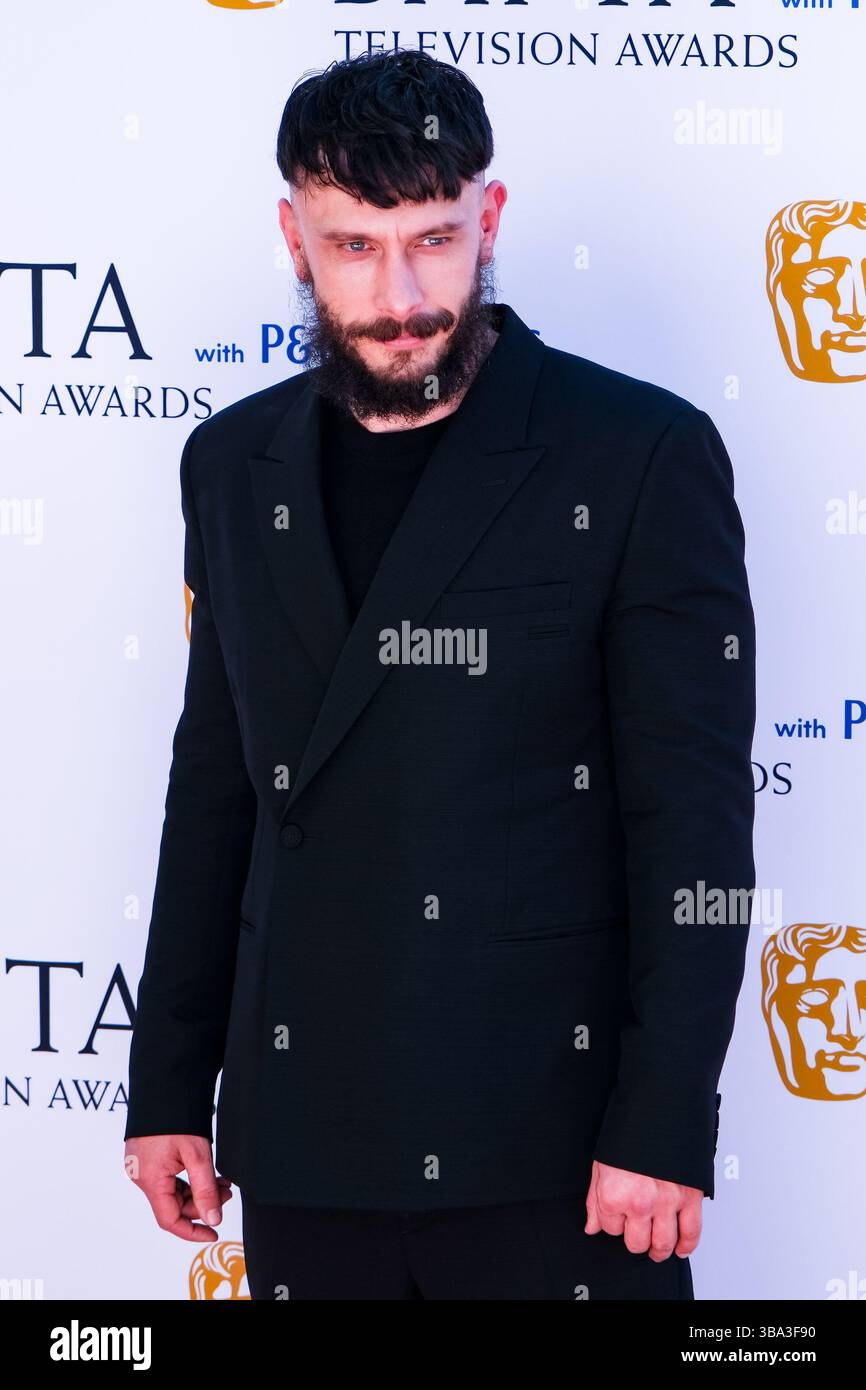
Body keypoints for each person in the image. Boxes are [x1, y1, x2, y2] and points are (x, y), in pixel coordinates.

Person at [124, 48, 756, 1301]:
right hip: (307, 1137)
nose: (402, 294)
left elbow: (689, 824)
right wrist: (167, 1087)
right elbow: (216, 794)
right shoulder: (231, 462)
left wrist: (662, 1119)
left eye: (435, 239)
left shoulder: (634, 453)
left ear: (490, 219)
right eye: (355, 246)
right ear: (294, 239)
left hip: (558, 1148)